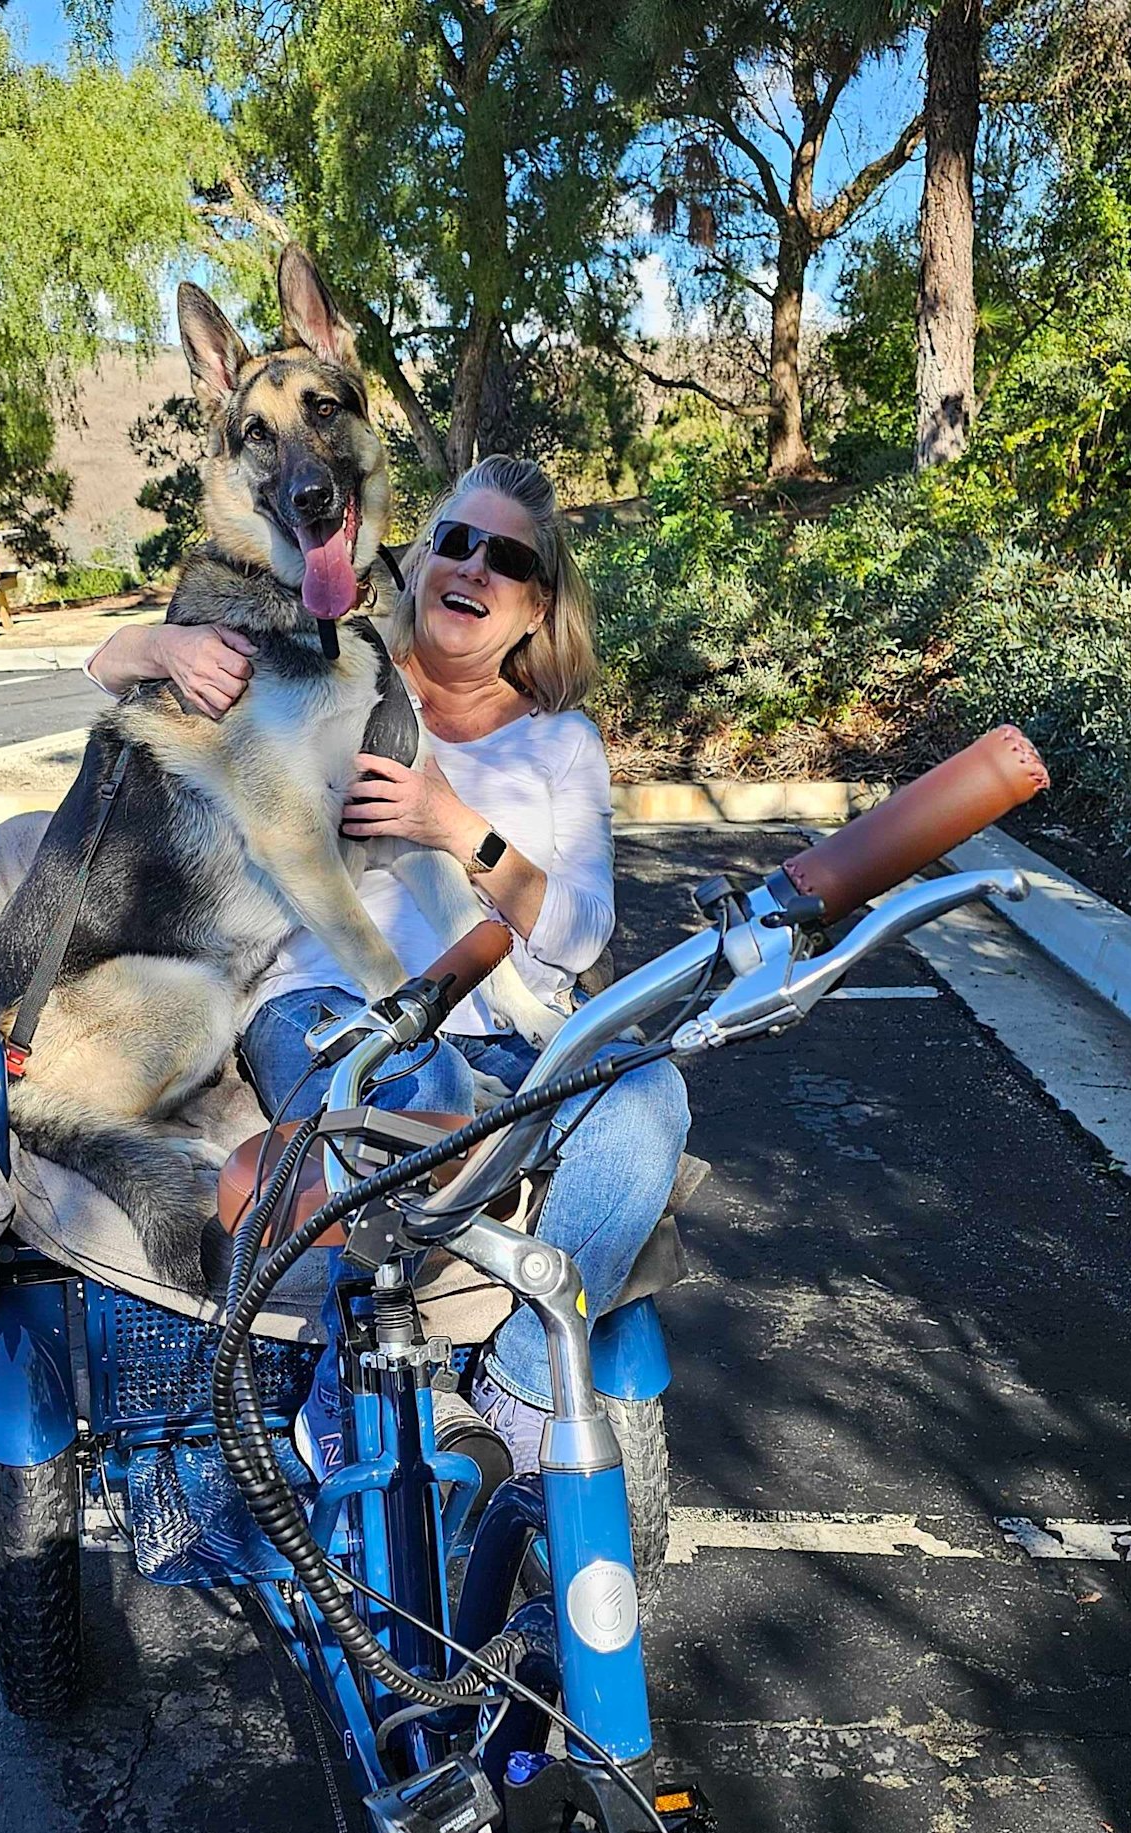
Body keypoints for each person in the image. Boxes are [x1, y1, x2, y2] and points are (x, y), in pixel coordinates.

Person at [85, 455, 690, 1473]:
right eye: (455, 540)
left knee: (647, 1094)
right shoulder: (336, 673)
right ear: (418, 560)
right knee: (416, 1089)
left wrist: (457, 827)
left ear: (536, 607)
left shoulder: (559, 743)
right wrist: (163, 640)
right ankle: (345, 1379)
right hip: (334, 1013)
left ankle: (516, 1385)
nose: (473, 568)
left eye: (507, 559)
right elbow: (111, 674)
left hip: (510, 1029)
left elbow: (581, 936)